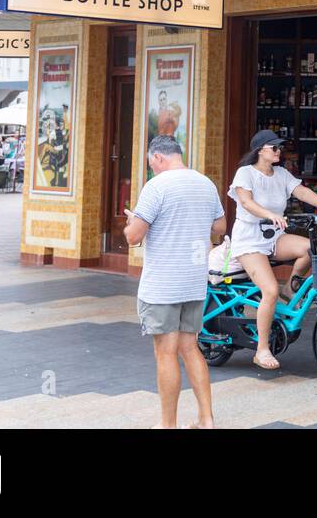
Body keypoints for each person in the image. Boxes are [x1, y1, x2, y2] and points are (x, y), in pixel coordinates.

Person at [122, 134, 226, 429]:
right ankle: (206, 419)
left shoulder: (156, 187)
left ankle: (168, 425)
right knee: (190, 347)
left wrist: (133, 220)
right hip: (194, 281)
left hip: (163, 284)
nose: (152, 169)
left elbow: (133, 237)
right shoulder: (205, 183)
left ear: (157, 157)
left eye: (151, 164)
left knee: (165, 352)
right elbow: (220, 226)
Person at [228, 130, 317, 372]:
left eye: (280, 147)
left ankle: (289, 292)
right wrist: (270, 214)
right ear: (261, 150)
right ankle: (261, 350)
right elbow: (247, 202)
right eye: (275, 148)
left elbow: (301, 191)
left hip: (273, 238)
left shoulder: (280, 174)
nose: (279, 151)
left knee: (310, 249)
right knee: (268, 291)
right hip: (249, 241)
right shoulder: (245, 173)